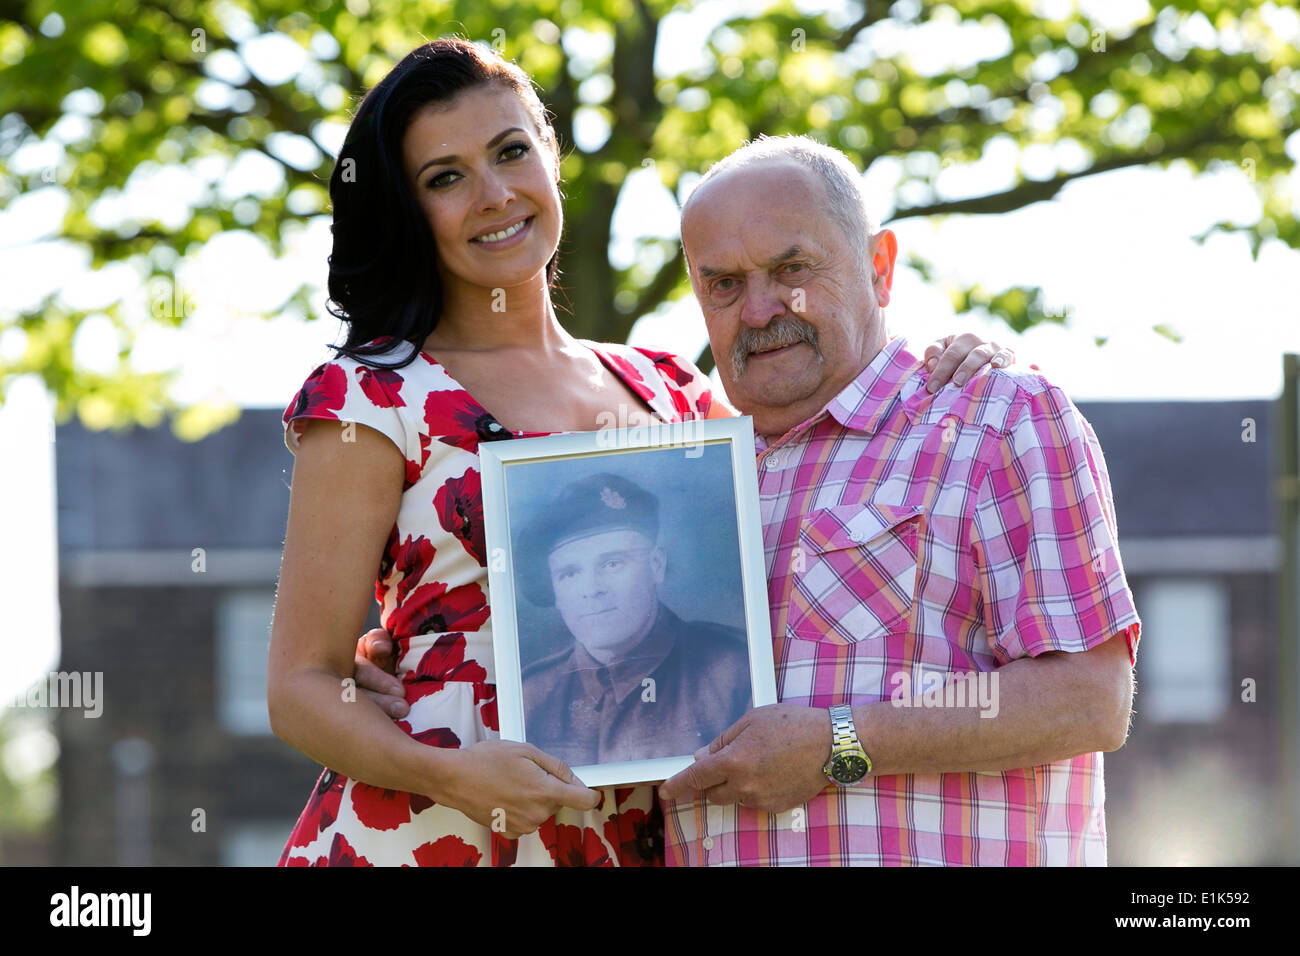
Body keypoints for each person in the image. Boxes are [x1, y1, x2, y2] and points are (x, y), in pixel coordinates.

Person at [272, 37, 1008, 868]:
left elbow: (828, 441)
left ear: (551, 161)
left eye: (511, 153)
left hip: (637, 837)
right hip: (431, 830)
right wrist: (449, 772)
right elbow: (301, 686)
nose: (493, 194)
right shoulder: (369, 397)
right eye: (445, 177)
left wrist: (952, 362)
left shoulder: (670, 391)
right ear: (412, 210)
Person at [651, 135, 1141, 865]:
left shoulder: (995, 418)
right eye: (722, 283)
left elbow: (1089, 699)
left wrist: (839, 744)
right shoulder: (688, 484)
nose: (757, 310)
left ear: (879, 267)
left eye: (792, 270)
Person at [516, 473, 751, 768]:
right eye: (570, 574)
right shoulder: (531, 695)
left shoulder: (735, 671)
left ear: (656, 566)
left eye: (612, 564)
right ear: (556, 592)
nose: (592, 589)